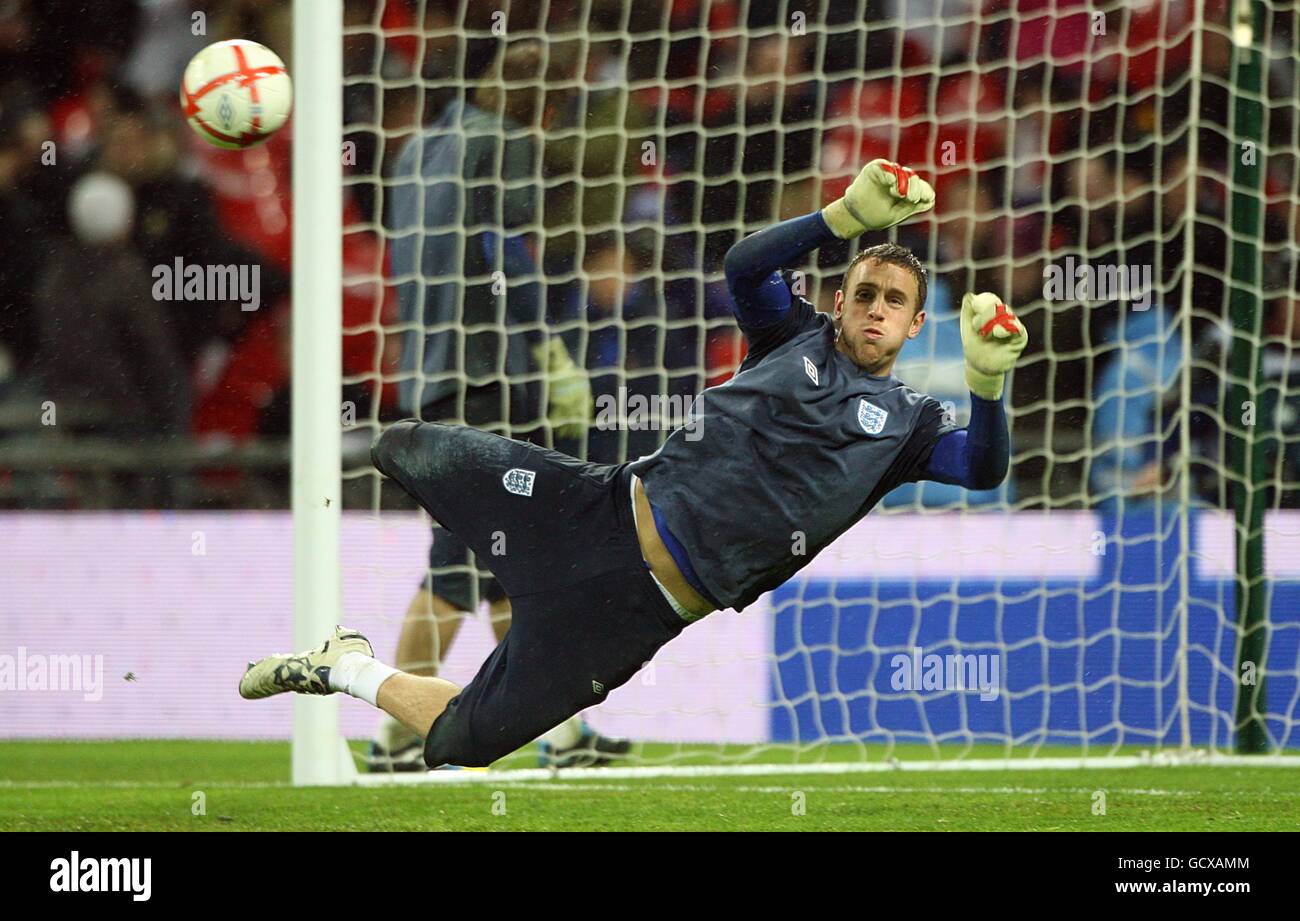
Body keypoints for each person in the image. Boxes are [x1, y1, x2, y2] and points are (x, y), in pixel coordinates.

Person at [240, 159, 1028, 770]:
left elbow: (984, 468)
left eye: (893, 300)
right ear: (841, 298)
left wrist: (988, 384)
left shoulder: (910, 427)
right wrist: (842, 215)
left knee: (462, 742)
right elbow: (744, 267)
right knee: (402, 448)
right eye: (864, 292)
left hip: (635, 616)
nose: (876, 308)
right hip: (595, 509)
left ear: (918, 323)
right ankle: (479, 568)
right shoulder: (793, 334)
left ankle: (342, 667)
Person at [373, 38, 613, 770]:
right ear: (483, 76)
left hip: (433, 376)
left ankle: (563, 734)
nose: (538, 85)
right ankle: (395, 733)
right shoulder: (504, 143)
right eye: (520, 68)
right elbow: (507, 254)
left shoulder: (415, 153)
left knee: (513, 562)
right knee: (460, 565)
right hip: (494, 382)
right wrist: (547, 354)